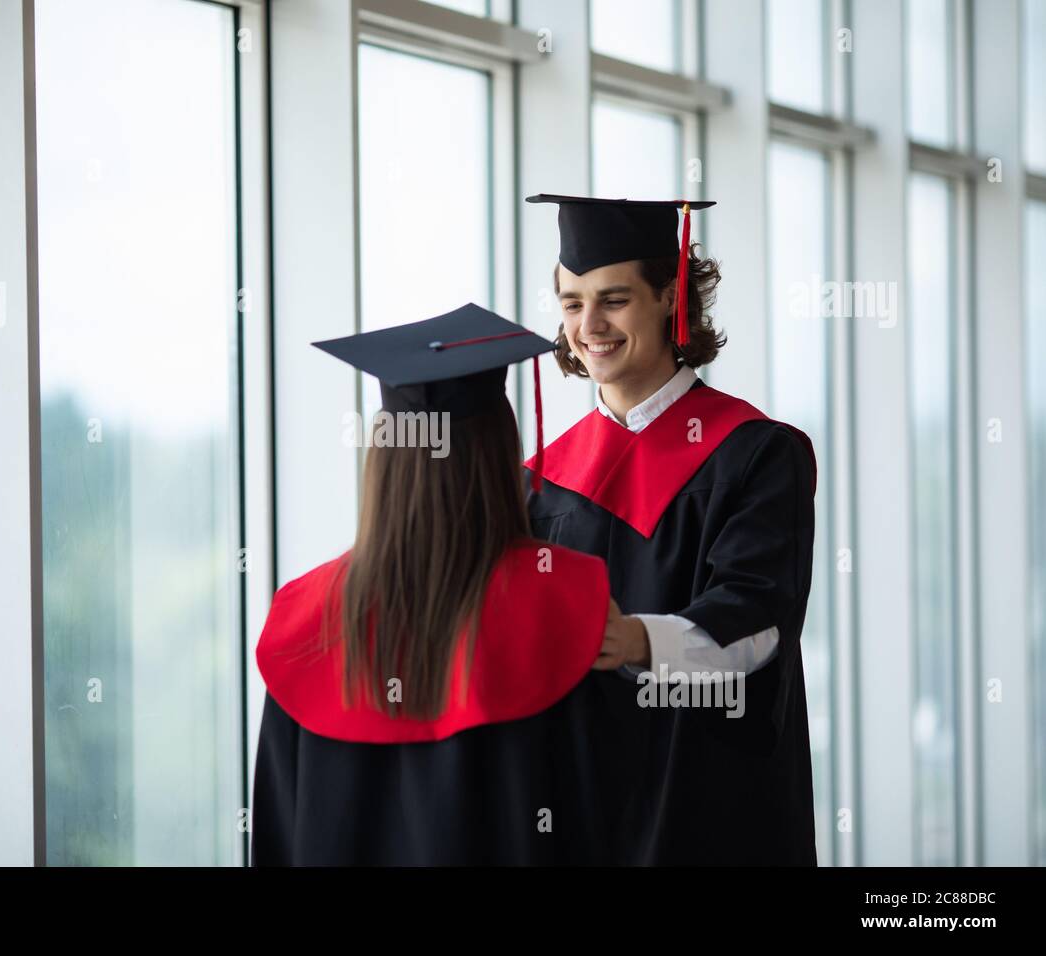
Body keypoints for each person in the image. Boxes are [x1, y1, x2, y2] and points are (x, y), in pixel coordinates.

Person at [251, 303, 626, 865]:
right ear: (500, 453)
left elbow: (279, 838)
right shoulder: (563, 601)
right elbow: (602, 820)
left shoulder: (305, 618)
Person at [523, 194, 819, 865]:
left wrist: (635, 640)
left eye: (614, 299)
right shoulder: (538, 482)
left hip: (713, 806)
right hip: (576, 806)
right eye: (572, 303)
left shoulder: (757, 453)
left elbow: (759, 626)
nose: (589, 324)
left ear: (670, 296)